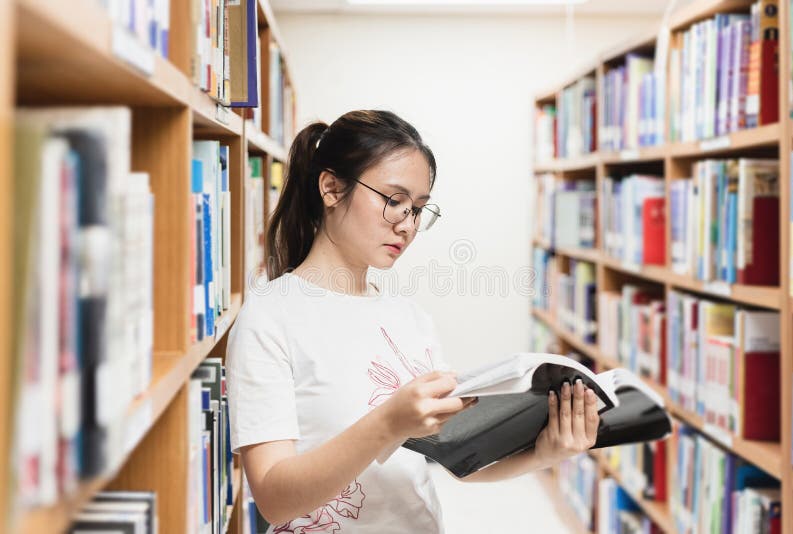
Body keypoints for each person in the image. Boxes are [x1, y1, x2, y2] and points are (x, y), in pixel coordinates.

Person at [225, 110, 599, 533]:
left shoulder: (409, 318)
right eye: (393, 200)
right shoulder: (270, 318)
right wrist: (388, 423)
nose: (408, 225)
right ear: (330, 188)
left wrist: (545, 453)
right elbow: (274, 499)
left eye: (419, 209)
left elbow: (454, 461)